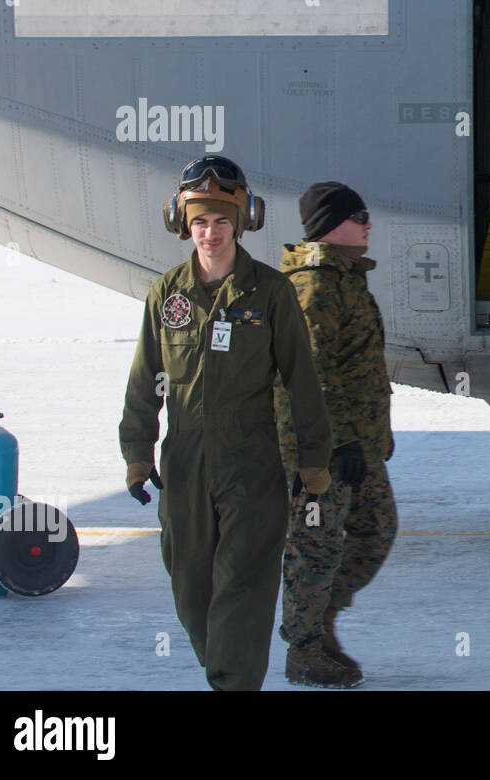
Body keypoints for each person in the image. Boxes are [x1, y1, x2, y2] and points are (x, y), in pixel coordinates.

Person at [119, 155, 333, 690]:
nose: (209, 233)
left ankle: (233, 684)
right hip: (185, 462)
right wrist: (137, 453)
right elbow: (145, 379)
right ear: (182, 224)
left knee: (243, 582)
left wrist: (314, 462)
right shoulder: (166, 294)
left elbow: (302, 382)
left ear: (241, 222)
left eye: (219, 221)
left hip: (251, 460)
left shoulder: (270, 293)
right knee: (191, 589)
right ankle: (225, 668)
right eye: (199, 222)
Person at [274, 182, 397, 688]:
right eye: (360, 215)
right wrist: (336, 442)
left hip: (357, 448)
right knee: (315, 546)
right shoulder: (314, 286)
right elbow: (309, 374)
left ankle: (319, 617)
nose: (369, 223)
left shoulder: (345, 278)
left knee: (376, 530)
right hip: (321, 455)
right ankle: (303, 651)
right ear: (331, 224)